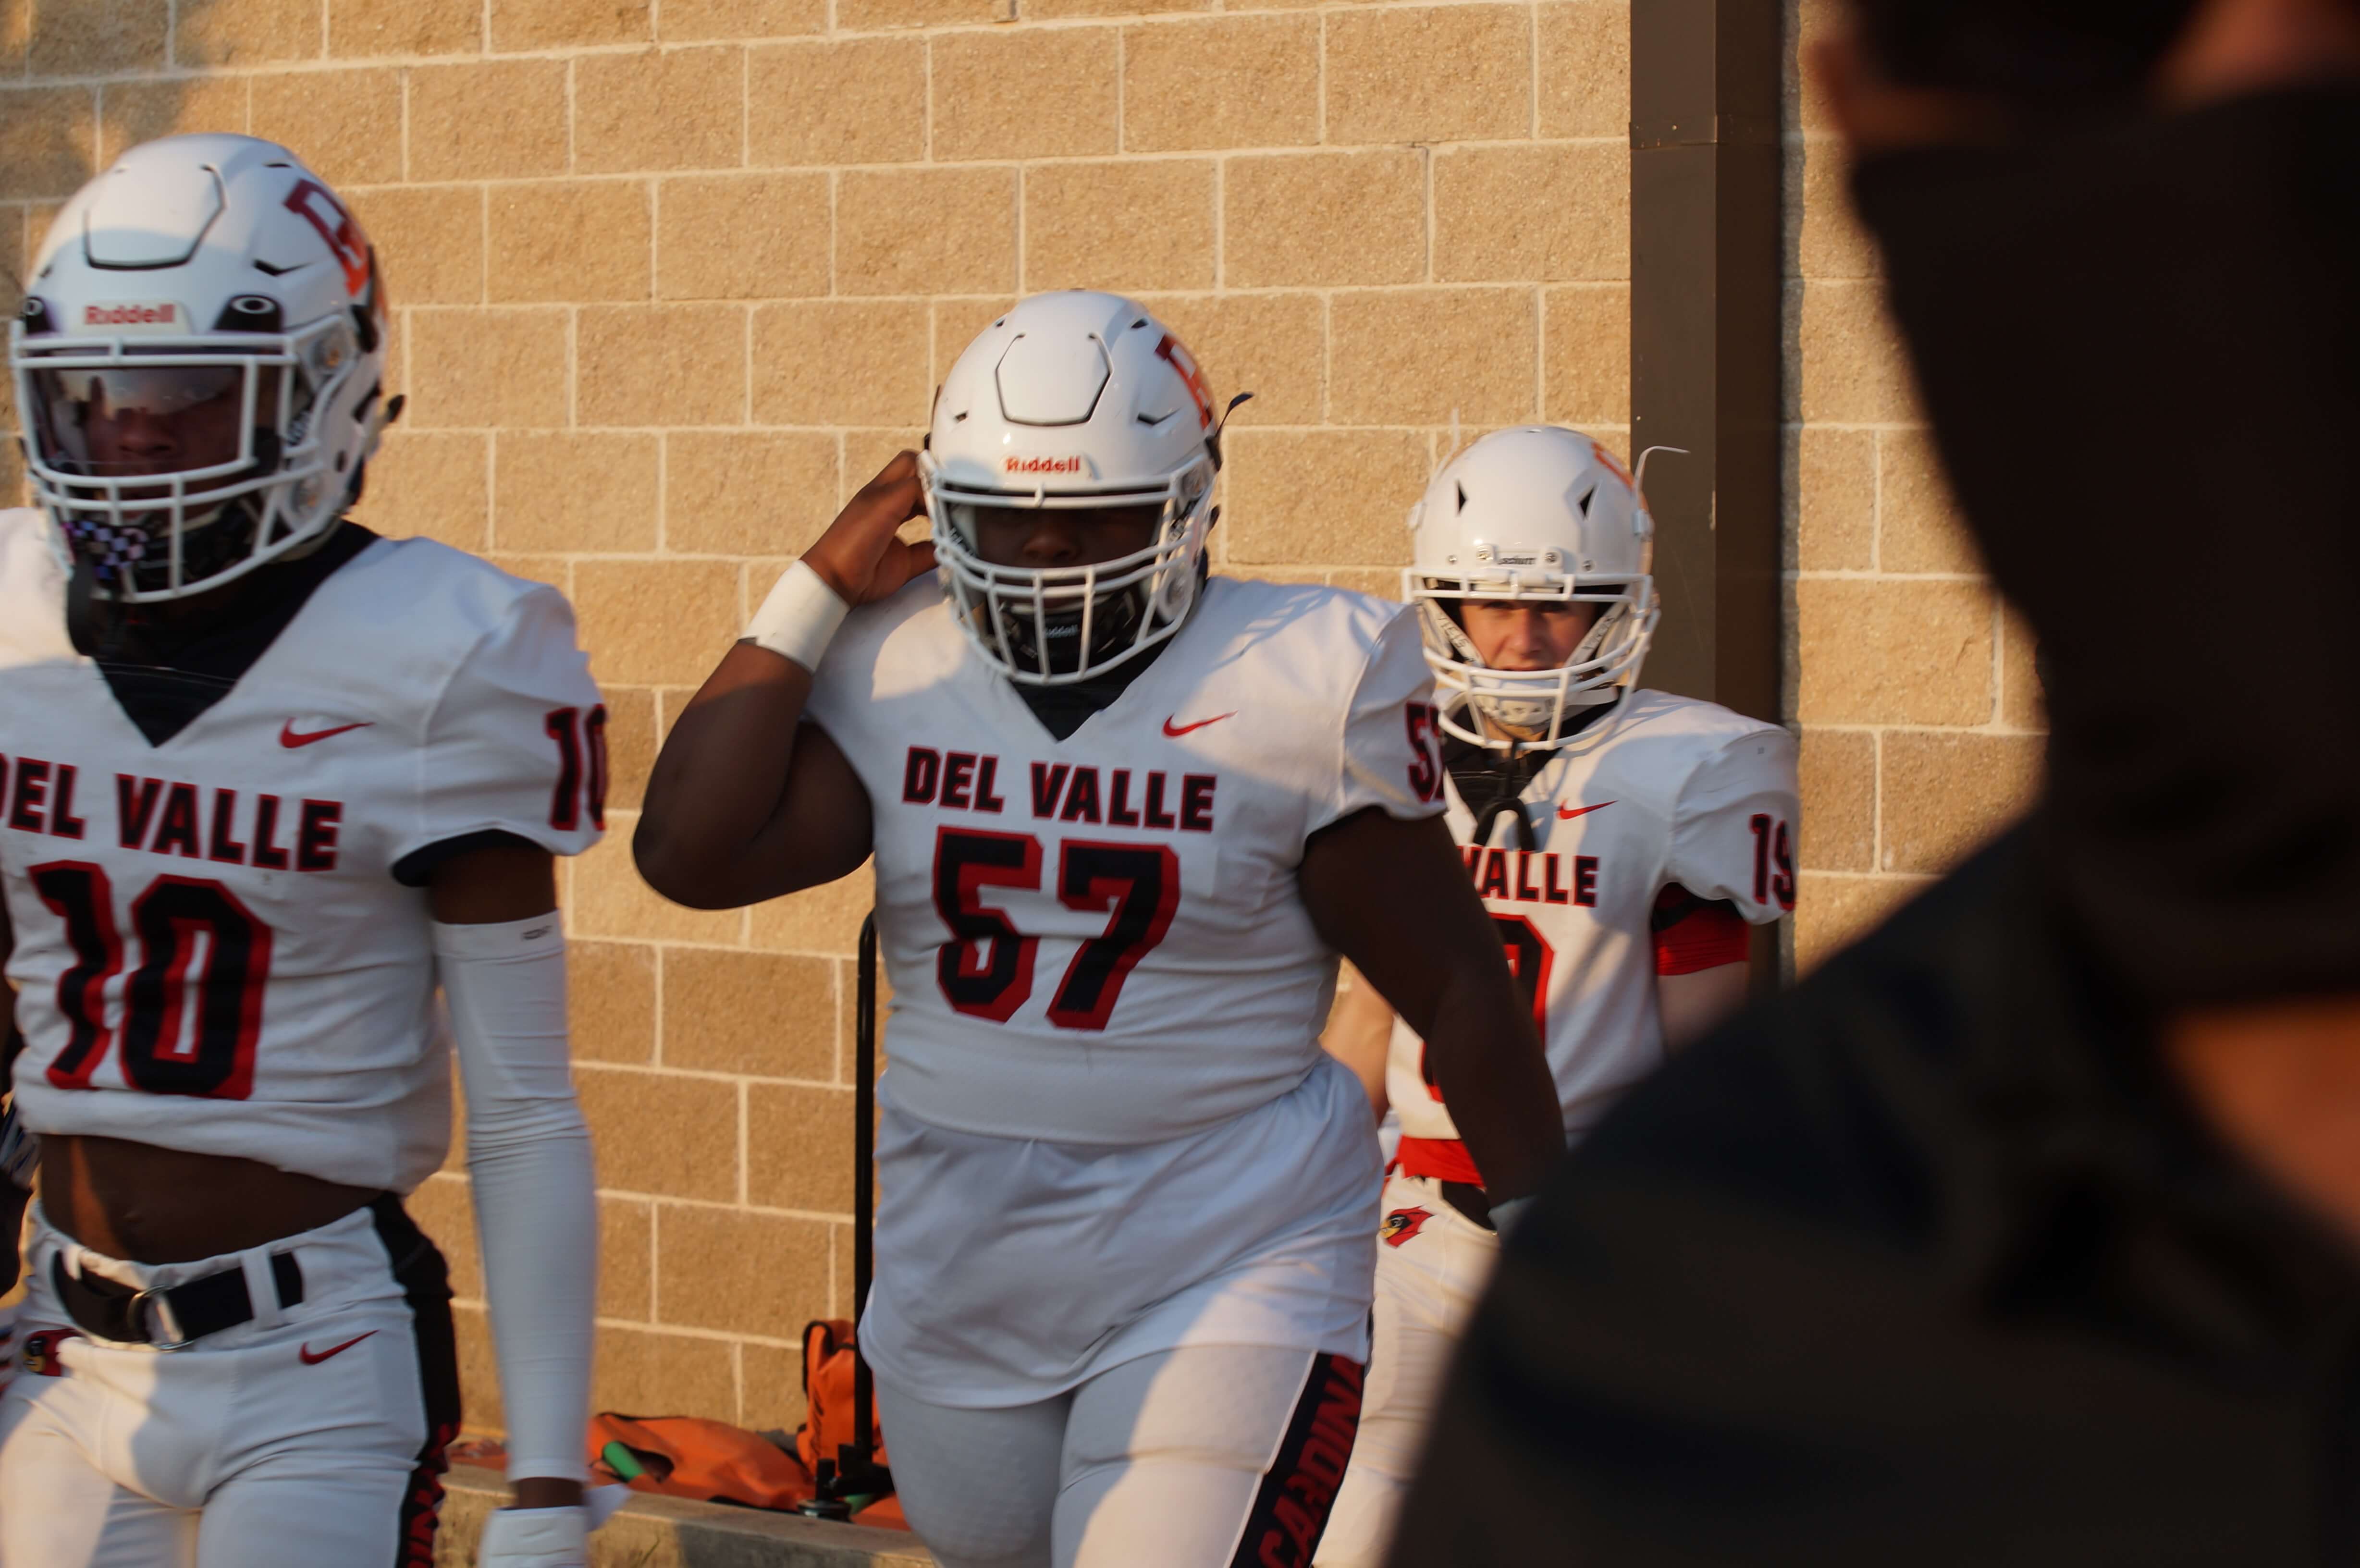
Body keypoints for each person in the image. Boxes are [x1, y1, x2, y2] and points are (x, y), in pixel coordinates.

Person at [1387, 1, 2360, 1563]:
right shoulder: (1688, 1293)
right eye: (2075, 26)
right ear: (1850, 100)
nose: (2264, 91)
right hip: (1428, 1236)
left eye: (1553, 601)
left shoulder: (1724, 1205)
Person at [633, 289, 1564, 1568]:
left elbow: (1457, 981)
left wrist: (1561, 1259)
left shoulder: (1297, 667)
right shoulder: (899, 659)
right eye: (1010, 523)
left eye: (1097, 517)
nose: (1050, 558)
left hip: (1228, 1247)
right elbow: (687, 854)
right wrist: (814, 586)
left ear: (1190, 502)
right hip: (960, 1271)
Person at [0, 135, 608, 1568]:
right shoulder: (13, 617)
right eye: (97, 401)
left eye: (191, 399)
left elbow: (525, 1105)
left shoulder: (448, 650)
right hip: (59, 1338)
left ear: (326, 394)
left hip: (318, 1353)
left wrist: (545, 1475)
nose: (133, 440)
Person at [1311, 427, 1797, 1568]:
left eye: (1562, 605)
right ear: (1442, 604)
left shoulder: (1682, 767)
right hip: (1415, 1214)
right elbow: (1368, 1015)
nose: (1524, 638)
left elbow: (1701, 1061)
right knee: (1360, 1498)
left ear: (1618, 606)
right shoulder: (1395, 753)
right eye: (1490, 605)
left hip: (1589, 1207)